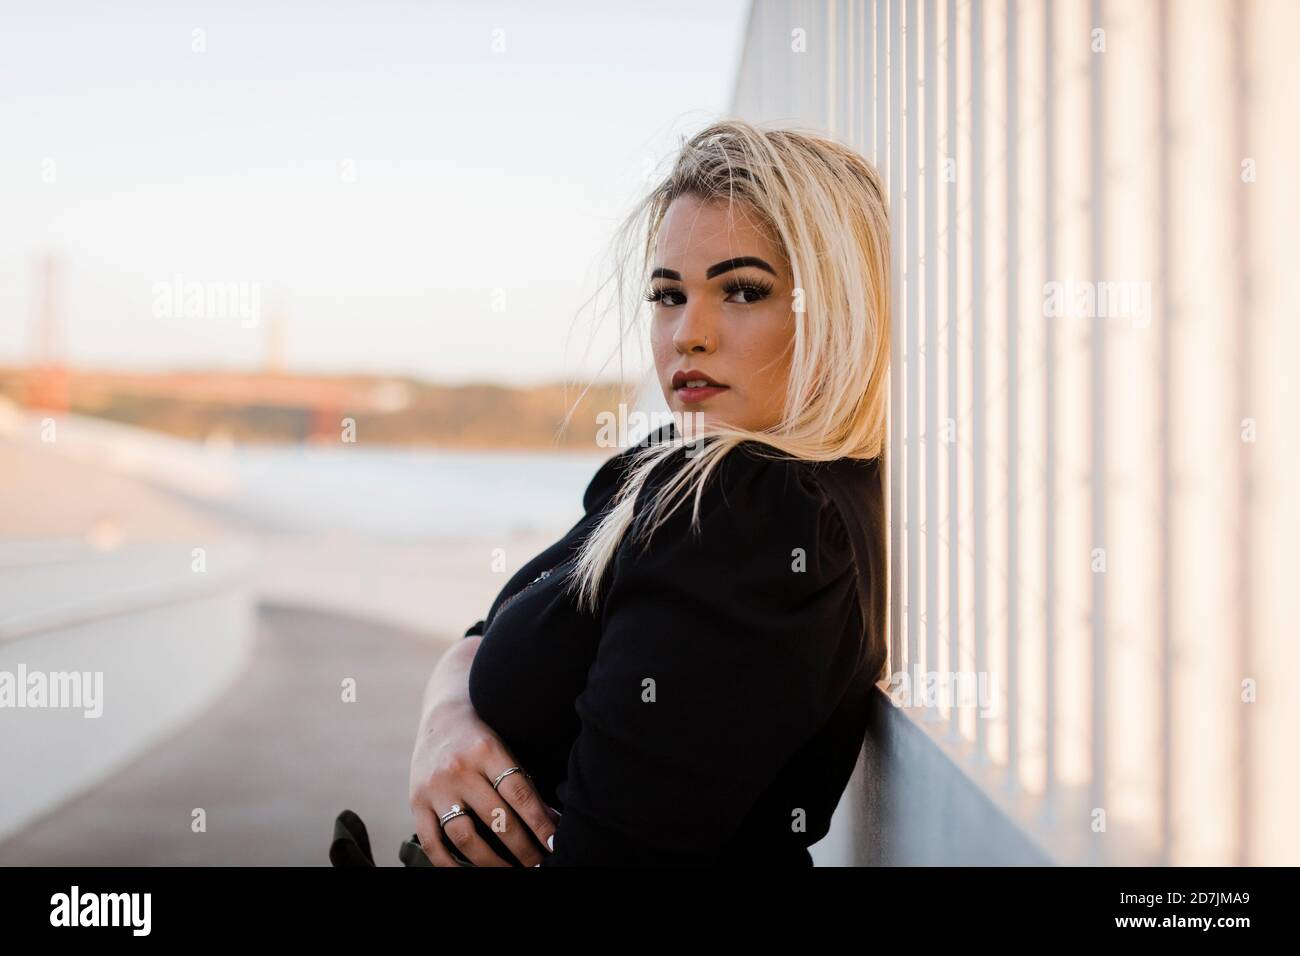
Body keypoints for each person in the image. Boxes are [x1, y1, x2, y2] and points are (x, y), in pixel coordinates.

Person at [348, 118, 890, 867]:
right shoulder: (686, 469)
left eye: (742, 290)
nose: (687, 335)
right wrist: (445, 704)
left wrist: (454, 702)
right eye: (669, 296)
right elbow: (499, 628)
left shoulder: (745, 509)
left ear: (838, 308)